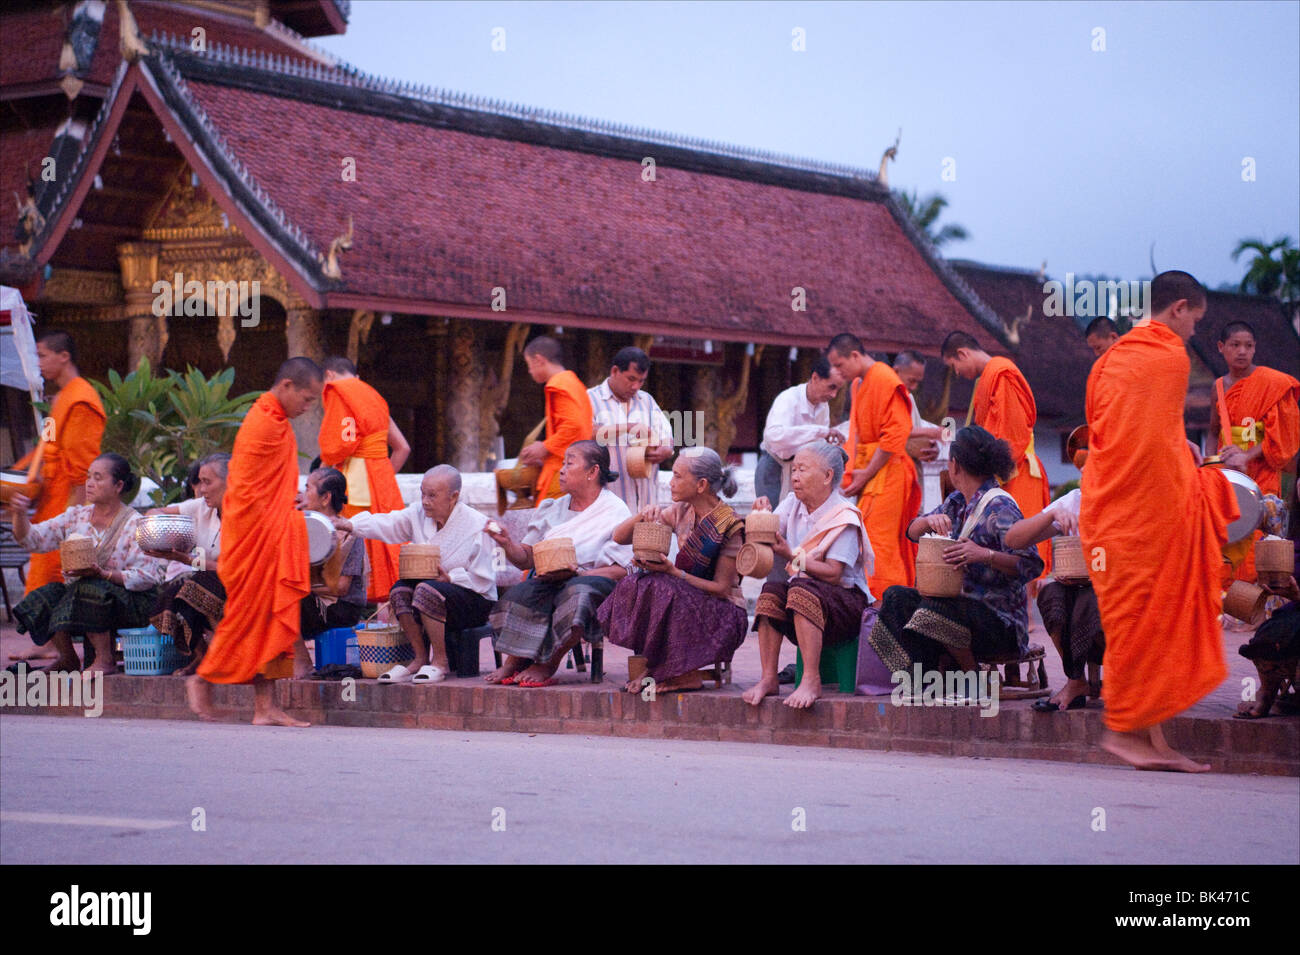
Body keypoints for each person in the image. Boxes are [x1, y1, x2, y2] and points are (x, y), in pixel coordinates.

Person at [1081, 270, 1239, 772]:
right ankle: (1123, 733)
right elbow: (1154, 447)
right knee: (1147, 623)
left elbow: (1114, 438)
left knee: (1142, 623)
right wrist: (1200, 481)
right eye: (1196, 319)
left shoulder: (1110, 360)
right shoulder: (1168, 354)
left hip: (1108, 509)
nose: (1196, 332)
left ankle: (1155, 744)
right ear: (1177, 310)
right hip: (1145, 512)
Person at [186, 357, 323, 727]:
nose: (308, 408)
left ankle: (266, 709)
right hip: (254, 539)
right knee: (246, 619)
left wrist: (288, 498)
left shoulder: (276, 422)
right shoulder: (262, 423)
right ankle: (203, 677)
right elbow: (244, 493)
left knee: (272, 623)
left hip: (271, 534)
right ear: (287, 386)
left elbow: (267, 483)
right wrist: (280, 506)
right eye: (307, 399)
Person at [867, 426, 1044, 684]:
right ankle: (920, 681)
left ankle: (972, 679)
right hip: (959, 611)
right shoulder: (957, 502)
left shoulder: (1000, 506)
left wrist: (984, 554)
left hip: (998, 623)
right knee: (895, 598)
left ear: (955, 465)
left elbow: (1031, 565)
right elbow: (912, 532)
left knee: (934, 608)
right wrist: (930, 521)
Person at [600, 447, 748, 693]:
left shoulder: (729, 525)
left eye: (678, 476)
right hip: (688, 602)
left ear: (701, 485)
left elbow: (722, 589)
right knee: (637, 582)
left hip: (724, 616)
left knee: (664, 587)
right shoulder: (682, 511)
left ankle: (684, 675)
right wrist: (642, 515)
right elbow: (619, 537)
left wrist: (672, 572)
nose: (671, 482)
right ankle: (661, 668)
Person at [485, 440, 631, 687]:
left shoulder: (615, 511)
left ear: (592, 472)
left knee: (577, 593)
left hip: (596, 583)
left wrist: (581, 573)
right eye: (562, 463)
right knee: (519, 594)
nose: (561, 470)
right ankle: (515, 660)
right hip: (552, 580)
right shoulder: (552, 508)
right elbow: (527, 559)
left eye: (569, 463)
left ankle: (548, 662)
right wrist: (507, 543)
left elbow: (622, 570)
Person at [333, 465, 497, 684]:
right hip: (432, 594)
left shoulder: (476, 524)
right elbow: (389, 522)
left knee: (425, 589)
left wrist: (453, 578)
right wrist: (350, 524)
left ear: (454, 496)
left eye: (432, 496)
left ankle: (440, 661)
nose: (425, 501)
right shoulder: (418, 514)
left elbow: (484, 580)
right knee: (400, 590)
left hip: (474, 600)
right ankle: (419, 658)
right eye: (422, 494)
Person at [742, 441, 874, 709]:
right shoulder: (793, 504)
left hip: (845, 606)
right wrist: (760, 514)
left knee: (801, 590)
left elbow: (835, 573)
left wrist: (792, 556)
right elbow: (767, 533)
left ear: (827, 476)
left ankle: (812, 679)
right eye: (793, 470)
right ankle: (769, 678)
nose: (795, 477)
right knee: (771, 591)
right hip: (806, 598)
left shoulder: (844, 515)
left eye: (802, 469)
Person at [9, 453, 164, 673]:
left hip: (130, 602)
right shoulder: (75, 517)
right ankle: (68, 659)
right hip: (83, 597)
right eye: (89, 476)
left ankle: (105, 659)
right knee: (47, 595)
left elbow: (147, 577)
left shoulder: (136, 524)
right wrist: (19, 514)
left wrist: (103, 574)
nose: (90, 483)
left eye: (98, 478)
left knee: (89, 588)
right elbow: (34, 540)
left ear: (118, 485)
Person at [940, 331, 1051, 574]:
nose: (958, 374)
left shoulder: (1001, 373)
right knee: (999, 547)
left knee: (1020, 548)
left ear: (963, 353)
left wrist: (989, 481)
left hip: (1014, 470)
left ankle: (1027, 612)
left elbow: (1012, 436)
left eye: (954, 366)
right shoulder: (988, 379)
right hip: (1000, 474)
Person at [14, 329, 106, 595]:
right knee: (43, 590)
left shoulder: (81, 400)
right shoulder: (63, 397)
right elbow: (47, 444)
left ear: (63, 356)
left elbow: (82, 470)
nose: (38, 363)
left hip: (67, 504)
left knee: (51, 588)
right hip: (49, 500)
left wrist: (73, 524)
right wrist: (24, 476)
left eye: (42, 355)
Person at [827, 333, 919, 595]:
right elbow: (856, 433)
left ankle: (889, 602)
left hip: (889, 472)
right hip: (869, 471)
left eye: (840, 364)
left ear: (855, 355)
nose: (837, 372)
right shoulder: (858, 384)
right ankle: (874, 600)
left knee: (880, 542)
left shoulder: (886, 378)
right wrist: (850, 473)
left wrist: (866, 473)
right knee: (866, 538)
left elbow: (896, 434)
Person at [1210, 321, 1300, 582]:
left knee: (1262, 538)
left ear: (1254, 349)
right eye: (1235, 345)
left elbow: (1282, 434)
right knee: (1229, 536)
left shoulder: (1272, 384)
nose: (1242, 351)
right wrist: (1209, 466)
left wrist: (1246, 455)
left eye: (1248, 346)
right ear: (1221, 348)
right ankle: (1231, 602)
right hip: (1228, 479)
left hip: (1262, 476)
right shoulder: (1218, 388)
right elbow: (1214, 432)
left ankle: (1263, 603)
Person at [318, 356, 409, 603]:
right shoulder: (375, 397)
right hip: (381, 480)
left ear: (329, 376)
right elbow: (403, 448)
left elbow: (342, 444)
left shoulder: (340, 391)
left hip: (353, 480)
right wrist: (382, 475)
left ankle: (356, 607)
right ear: (356, 376)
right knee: (381, 543)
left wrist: (321, 474)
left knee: (349, 543)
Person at [1006, 487, 1104, 711]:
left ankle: (1129, 687)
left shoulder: (1134, 496)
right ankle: (1075, 681)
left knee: (1089, 601)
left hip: (1123, 589)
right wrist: (1052, 514)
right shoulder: (1077, 499)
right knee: (1052, 592)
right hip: (1080, 589)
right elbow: (1013, 540)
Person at [145, 452, 230, 675]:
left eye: (207, 482)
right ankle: (202, 656)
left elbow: (231, 568)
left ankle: (226, 655)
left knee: (198, 584)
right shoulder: (202, 506)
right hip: (209, 575)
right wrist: (157, 527)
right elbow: (158, 511)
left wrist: (187, 559)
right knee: (173, 591)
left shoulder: (248, 514)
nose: (201, 489)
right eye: (200, 482)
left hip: (243, 581)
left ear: (231, 481)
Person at [587, 346, 675, 511]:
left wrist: (666, 449)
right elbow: (586, 433)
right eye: (631, 379)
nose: (636, 386)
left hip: (646, 504)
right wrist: (628, 428)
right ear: (614, 371)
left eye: (641, 381)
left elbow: (665, 433)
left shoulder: (646, 400)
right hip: (608, 506)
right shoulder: (590, 399)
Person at [754, 356, 845, 506]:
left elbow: (818, 443)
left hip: (801, 471)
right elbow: (775, 436)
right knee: (769, 521)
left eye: (837, 389)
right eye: (831, 387)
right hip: (773, 467)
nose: (834, 395)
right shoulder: (788, 399)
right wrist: (820, 431)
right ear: (815, 378)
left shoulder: (823, 407)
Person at [298, 467, 369, 654]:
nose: (303, 494)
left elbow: (341, 588)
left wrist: (299, 586)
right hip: (312, 598)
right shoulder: (303, 526)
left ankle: (302, 660)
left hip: (340, 609)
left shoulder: (348, 534)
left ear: (325, 497)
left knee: (287, 597)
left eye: (308, 489)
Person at [516, 336, 594, 501]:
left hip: (563, 472)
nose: (529, 371)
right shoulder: (575, 384)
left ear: (539, 360)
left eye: (529, 365)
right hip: (578, 468)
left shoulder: (559, 385)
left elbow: (574, 426)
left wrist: (545, 447)